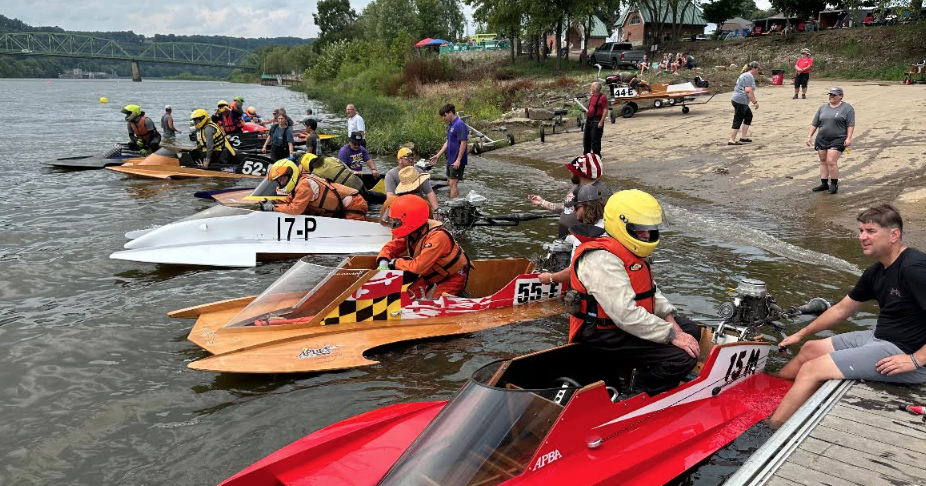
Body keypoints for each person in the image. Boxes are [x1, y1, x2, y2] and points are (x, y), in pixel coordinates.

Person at [769, 205, 926, 427]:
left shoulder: (914, 267)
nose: (862, 237)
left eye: (870, 231)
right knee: (809, 349)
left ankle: (773, 428)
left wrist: (915, 360)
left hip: (905, 354)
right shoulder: (877, 270)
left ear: (894, 235)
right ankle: (773, 389)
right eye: (861, 230)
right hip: (881, 338)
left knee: (812, 369)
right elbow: (841, 309)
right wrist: (800, 334)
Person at [568, 189, 702, 395]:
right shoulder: (601, 259)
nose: (647, 235)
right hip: (603, 335)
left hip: (622, 326)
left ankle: (645, 371)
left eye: (650, 229)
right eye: (640, 230)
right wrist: (671, 334)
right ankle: (636, 392)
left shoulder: (628, 251)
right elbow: (626, 315)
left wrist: (671, 323)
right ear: (621, 226)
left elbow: (651, 293)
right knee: (683, 357)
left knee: (691, 330)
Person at [377, 195, 470, 299]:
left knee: (430, 306)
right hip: (430, 275)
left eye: (397, 222)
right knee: (404, 297)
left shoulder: (438, 237)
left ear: (410, 221)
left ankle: (458, 296)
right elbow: (392, 246)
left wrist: (395, 263)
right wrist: (383, 259)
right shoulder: (414, 232)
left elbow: (418, 267)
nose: (394, 225)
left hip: (451, 278)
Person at [528, 153, 612, 238]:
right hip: (565, 241)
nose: (569, 171)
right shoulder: (576, 187)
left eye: (572, 170)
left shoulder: (602, 192)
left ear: (581, 173)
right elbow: (567, 208)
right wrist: (543, 202)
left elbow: (606, 220)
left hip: (582, 241)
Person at [537, 183, 607, 286]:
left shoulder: (585, 236)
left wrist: (551, 278)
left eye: (576, 207)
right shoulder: (610, 226)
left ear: (587, 207)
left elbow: (575, 272)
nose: (574, 211)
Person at [260, 159, 368, 220]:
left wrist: (274, 208)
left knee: (350, 239)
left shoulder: (303, 185)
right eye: (280, 180)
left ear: (291, 175)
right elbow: (291, 199)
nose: (282, 182)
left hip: (354, 204)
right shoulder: (299, 183)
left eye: (283, 178)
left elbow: (295, 208)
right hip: (344, 207)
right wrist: (274, 202)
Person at [806, 87, 855, 194]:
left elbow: (850, 124)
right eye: (830, 94)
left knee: (831, 161)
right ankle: (824, 183)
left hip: (838, 138)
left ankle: (834, 184)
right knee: (823, 161)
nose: (831, 97)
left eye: (834, 95)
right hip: (822, 138)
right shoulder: (823, 108)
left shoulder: (847, 108)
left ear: (841, 96)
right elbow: (815, 123)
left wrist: (849, 138)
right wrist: (809, 136)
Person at [430, 104, 468, 199]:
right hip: (450, 159)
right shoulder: (451, 125)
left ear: (450, 113)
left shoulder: (460, 124)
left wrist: (458, 160)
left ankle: (453, 207)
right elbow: (448, 141)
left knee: (452, 184)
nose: (443, 118)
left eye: (444, 115)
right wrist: (438, 155)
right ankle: (457, 200)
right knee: (449, 182)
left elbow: (463, 143)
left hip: (457, 160)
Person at [386, 147, 439, 212]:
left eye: (412, 158)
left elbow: (429, 193)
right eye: (407, 158)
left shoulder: (419, 172)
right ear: (400, 160)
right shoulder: (391, 174)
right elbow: (390, 197)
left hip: (418, 205)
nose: (411, 160)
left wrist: (437, 210)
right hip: (401, 206)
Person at [728, 61, 760, 146]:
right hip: (740, 100)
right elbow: (748, 91)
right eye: (757, 69)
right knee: (738, 119)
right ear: (753, 68)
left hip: (741, 100)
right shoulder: (748, 76)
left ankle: (743, 137)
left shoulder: (747, 75)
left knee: (748, 116)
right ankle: (731, 139)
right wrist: (755, 102)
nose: (758, 71)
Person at [583, 82, 608, 156]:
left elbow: (605, 109)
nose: (591, 88)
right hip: (589, 119)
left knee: (595, 139)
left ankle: (597, 156)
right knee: (586, 138)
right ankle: (586, 155)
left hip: (597, 119)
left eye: (592, 87)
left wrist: (601, 121)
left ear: (596, 88)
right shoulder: (592, 96)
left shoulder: (602, 97)